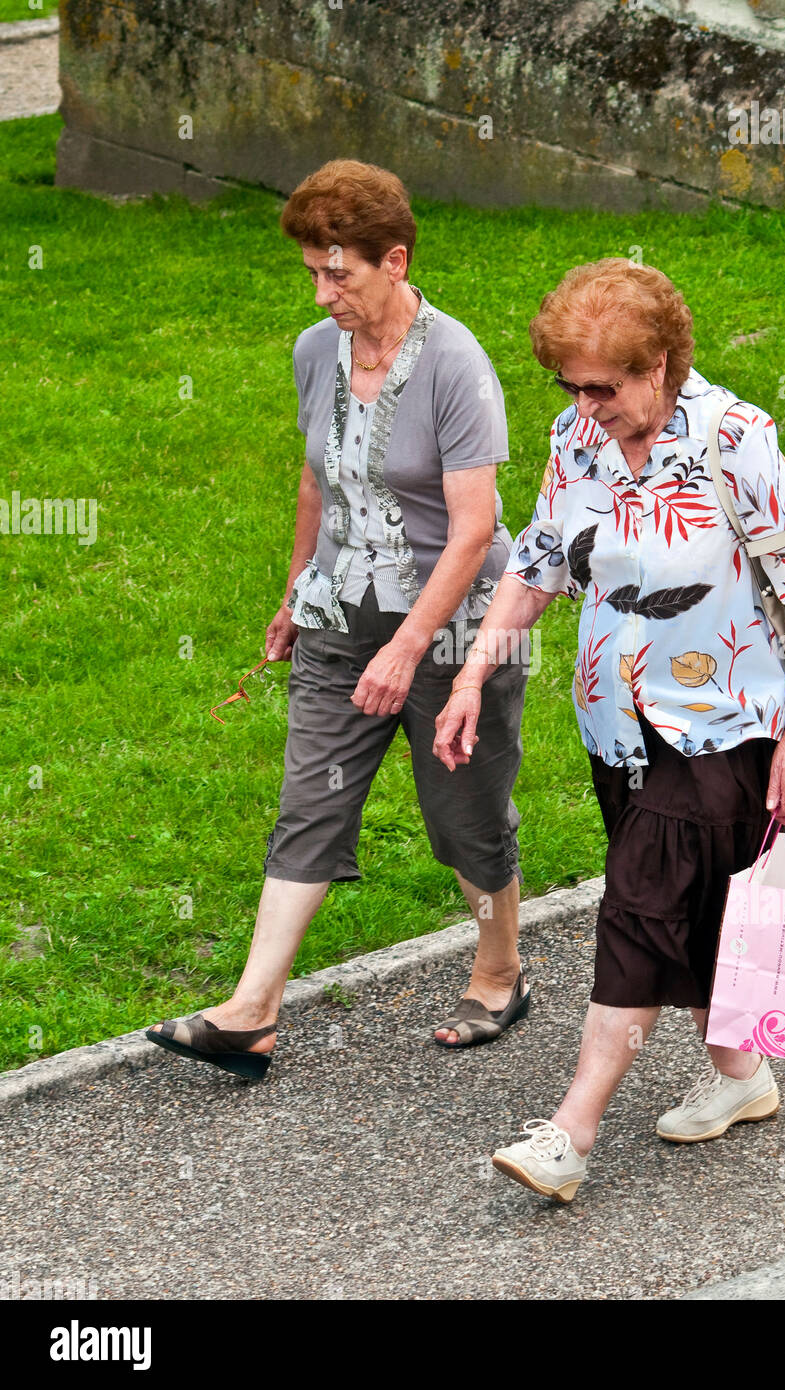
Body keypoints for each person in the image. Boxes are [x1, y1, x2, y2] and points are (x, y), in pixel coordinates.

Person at [433, 258, 785, 1200]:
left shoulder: (735, 440)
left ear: (658, 365)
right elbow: (536, 567)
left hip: (723, 725)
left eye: (601, 386)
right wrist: (470, 676)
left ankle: (569, 1135)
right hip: (614, 719)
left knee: (640, 903)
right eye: (568, 384)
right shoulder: (575, 440)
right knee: (684, 911)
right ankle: (743, 1076)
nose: (584, 403)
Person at [147, 159, 530, 1079]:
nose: (323, 295)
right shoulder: (316, 351)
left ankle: (502, 968)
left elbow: (473, 529)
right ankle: (252, 1010)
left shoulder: (455, 363)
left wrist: (406, 647)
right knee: (309, 803)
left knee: (464, 816)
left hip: (452, 629)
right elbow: (317, 480)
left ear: (393, 261)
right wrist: (293, 592)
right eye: (313, 274)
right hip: (336, 616)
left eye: (339, 274)